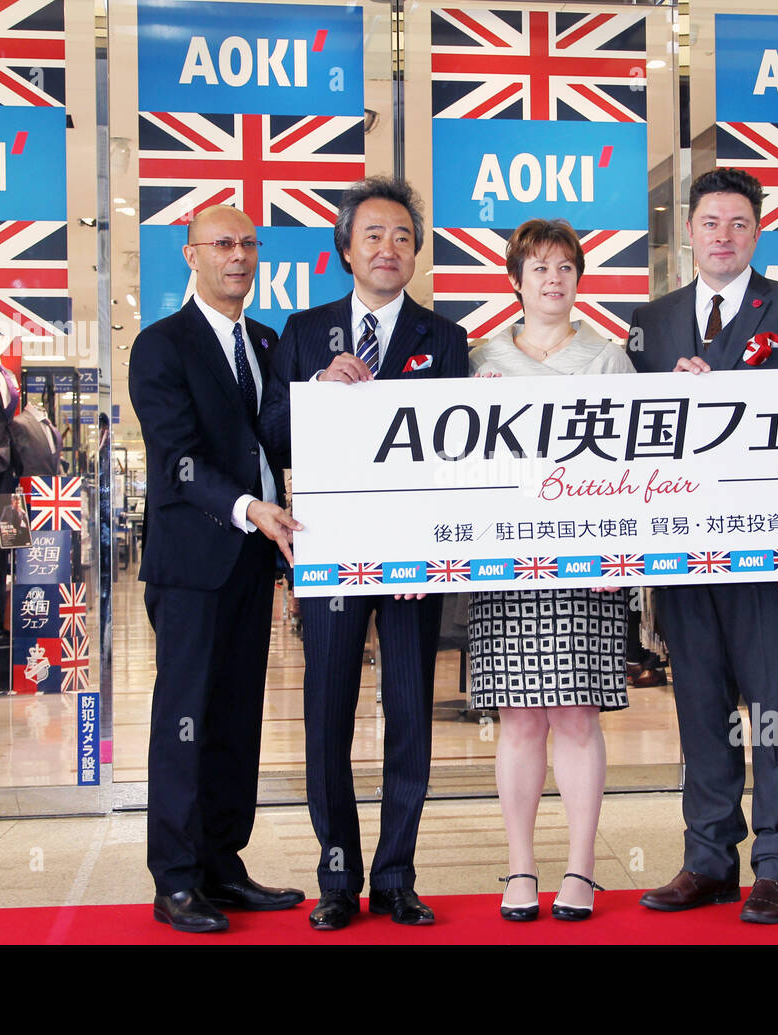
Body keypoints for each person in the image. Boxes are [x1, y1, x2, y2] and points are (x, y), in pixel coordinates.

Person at [263, 176, 469, 931]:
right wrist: (315, 388)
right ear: (344, 248)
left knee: (410, 713)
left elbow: (459, 454)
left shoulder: (444, 339)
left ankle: (397, 875)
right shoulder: (304, 331)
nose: (390, 248)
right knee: (328, 714)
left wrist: (430, 548)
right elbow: (273, 434)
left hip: (413, 559)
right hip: (330, 552)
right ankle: (337, 876)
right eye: (374, 235)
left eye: (404, 237)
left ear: (417, 253)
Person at [627, 167, 778, 924]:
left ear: (757, 231)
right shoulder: (651, 319)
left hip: (771, 552)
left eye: (739, 223)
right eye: (710, 222)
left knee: (776, 707)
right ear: (689, 229)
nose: (724, 235)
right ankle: (709, 857)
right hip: (683, 552)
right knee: (701, 707)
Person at [128, 204, 305, 933]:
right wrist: (246, 507)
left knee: (236, 717)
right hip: (194, 562)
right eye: (222, 243)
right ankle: (174, 879)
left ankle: (222, 865)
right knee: (186, 719)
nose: (239, 255)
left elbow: (280, 438)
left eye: (248, 243)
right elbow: (177, 459)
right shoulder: (161, 345)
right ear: (191, 256)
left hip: (252, 561)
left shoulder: (267, 342)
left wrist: (330, 386)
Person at [468, 218, 634, 922]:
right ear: (515, 279)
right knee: (519, 717)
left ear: (578, 278)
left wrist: (622, 556)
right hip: (505, 559)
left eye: (565, 266)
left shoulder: (608, 358)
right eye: (538, 267)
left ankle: (581, 867)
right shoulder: (478, 358)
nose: (553, 278)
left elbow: (634, 466)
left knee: (575, 713)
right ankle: (519, 867)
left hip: (585, 559)